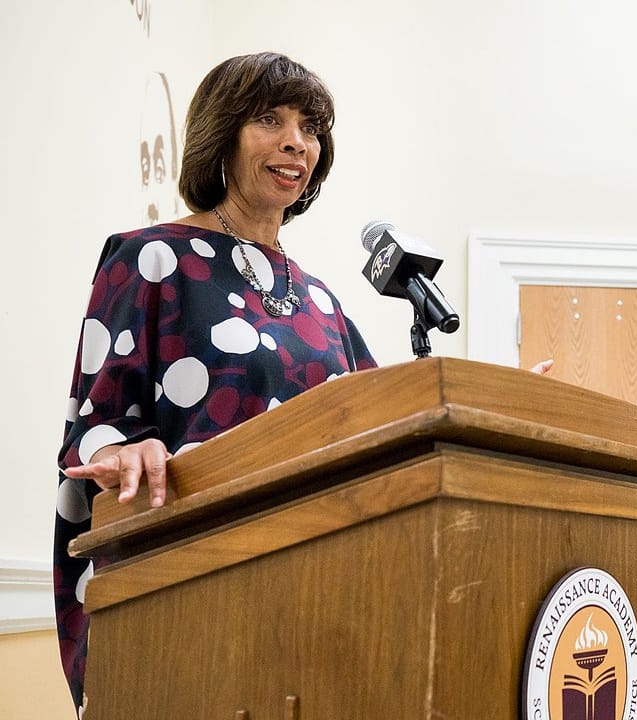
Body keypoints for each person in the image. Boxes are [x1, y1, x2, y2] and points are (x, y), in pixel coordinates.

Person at [53, 52, 378, 714]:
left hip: (316, 603)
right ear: (221, 134)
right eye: (270, 119)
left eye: (311, 127)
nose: (297, 142)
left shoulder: (323, 304)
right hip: (189, 598)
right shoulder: (151, 258)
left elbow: (377, 427)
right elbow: (100, 421)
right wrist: (122, 450)